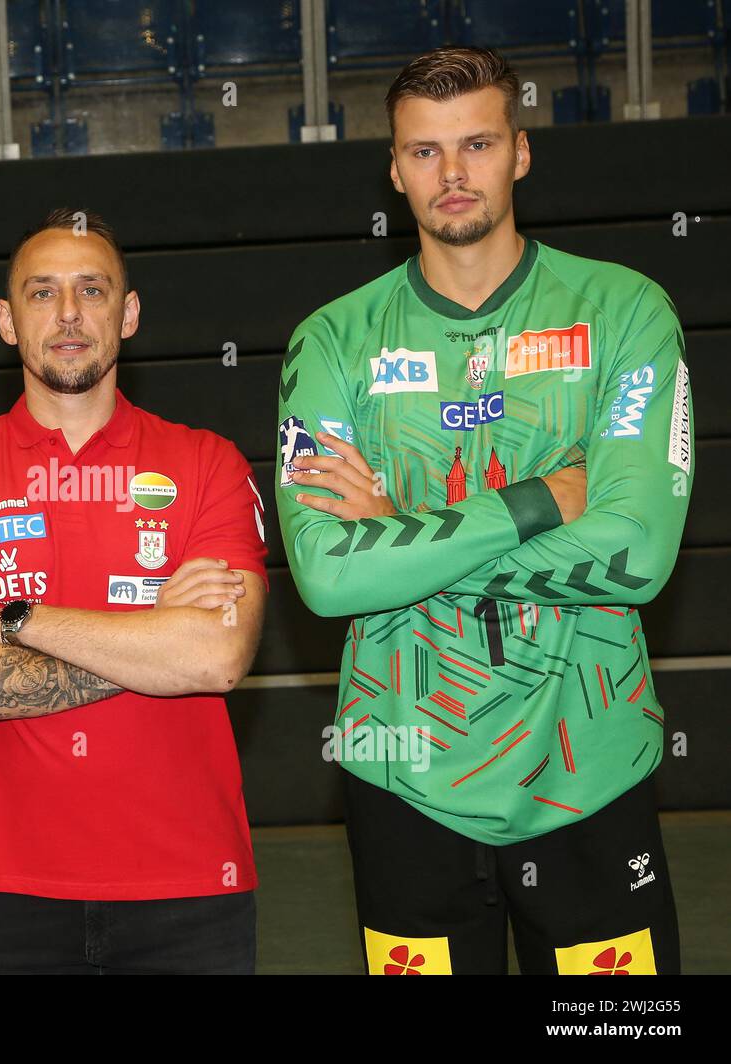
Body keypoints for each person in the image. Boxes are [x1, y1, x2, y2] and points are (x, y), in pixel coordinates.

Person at [276, 47, 691, 975]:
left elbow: (638, 552)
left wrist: (400, 530)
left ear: (521, 152)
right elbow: (329, 573)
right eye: (424, 152)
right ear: (393, 168)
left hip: (590, 768)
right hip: (404, 770)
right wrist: (544, 499)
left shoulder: (625, 310)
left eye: (476, 144)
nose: (452, 174)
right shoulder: (333, 341)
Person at [0, 208, 267, 974]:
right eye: (42, 293)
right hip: (2, 894)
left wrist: (19, 620)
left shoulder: (210, 464)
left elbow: (215, 659)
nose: (68, 314)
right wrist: (151, 636)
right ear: (7, 320)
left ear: (128, 314)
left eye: (93, 291)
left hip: (190, 887)